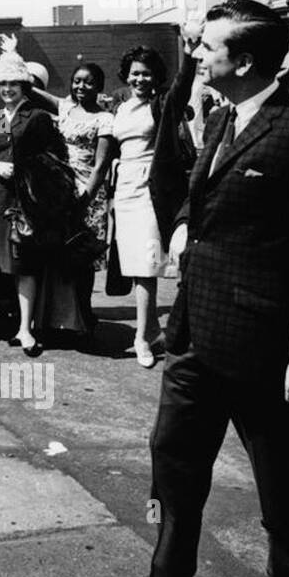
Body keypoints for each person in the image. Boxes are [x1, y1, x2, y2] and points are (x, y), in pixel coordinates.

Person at [95, 0, 289, 577]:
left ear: (242, 60)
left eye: (206, 48)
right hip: (194, 334)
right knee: (174, 467)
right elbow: (190, 190)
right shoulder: (219, 120)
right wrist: (185, 226)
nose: (197, 56)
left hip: (264, 349)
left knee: (280, 489)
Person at [111, 33, 197, 367]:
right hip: (125, 189)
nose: (140, 79)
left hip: (151, 189)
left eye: (146, 73)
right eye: (135, 73)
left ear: (155, 76)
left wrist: (189, 55)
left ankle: (141, 337)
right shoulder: (121, 106)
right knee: (134, 263)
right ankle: (155, 330)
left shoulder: (162, 103)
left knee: (147, 264)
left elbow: (182, 87)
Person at [0, 41, 72, 357]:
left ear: (24, 86)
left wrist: (23, 170)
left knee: (25, 263)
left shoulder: (37, 117)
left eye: (14, 84)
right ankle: (18, 322)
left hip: (25, 199)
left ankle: (26, 328)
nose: (8, 89)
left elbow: (56, 157)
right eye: (3, 84)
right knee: (6, 262)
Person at [21, 60, 117, 344]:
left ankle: (85, 317)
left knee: (83, 258)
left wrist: (85, 199)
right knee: (58, 254)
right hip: (59, 190)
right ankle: (57, 320)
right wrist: (14, 56)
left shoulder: (105, 119)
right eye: (76, 81)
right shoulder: (64, 107)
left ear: (99, 87)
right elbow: (29, 88)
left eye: (88, 82)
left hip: (89, 195)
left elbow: (101, 166)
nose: (80, 87)